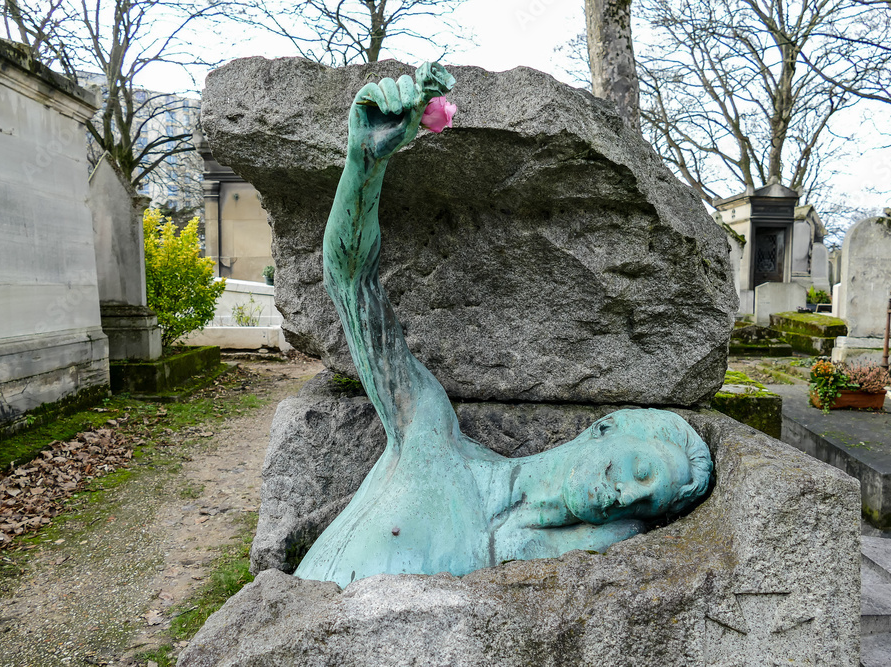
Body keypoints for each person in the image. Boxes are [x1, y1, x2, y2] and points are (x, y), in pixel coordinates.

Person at [294, 63, 713, 589]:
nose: (628, 497)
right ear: (603, 430)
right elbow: (352, 285)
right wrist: (364, 164)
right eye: (641, 473)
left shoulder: (539, 555)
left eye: (647, 505)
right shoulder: (428, 434)